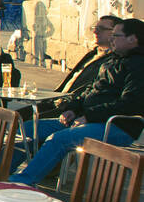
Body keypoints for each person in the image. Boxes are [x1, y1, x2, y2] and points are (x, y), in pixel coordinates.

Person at [10, 18, 144, 185]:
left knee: (58, 139)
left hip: (117, 125)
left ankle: (20, 183)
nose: (111, 39)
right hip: (86, 118)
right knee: (28, 129)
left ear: (133, 39)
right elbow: (90, 91)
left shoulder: (138, 66)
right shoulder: (112, 60)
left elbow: (131, 104)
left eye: (116, 35)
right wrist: (73, 108)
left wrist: (89, 116)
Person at [19, 15, 120, 142]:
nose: (95, 31)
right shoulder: (93, 53)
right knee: (15, 117)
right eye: (95, 27)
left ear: (115, 33)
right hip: (58, 101)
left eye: (101, 28)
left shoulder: (113, 61)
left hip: (72, 107)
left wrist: (76, 109)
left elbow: (94, 91)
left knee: (26, 127)